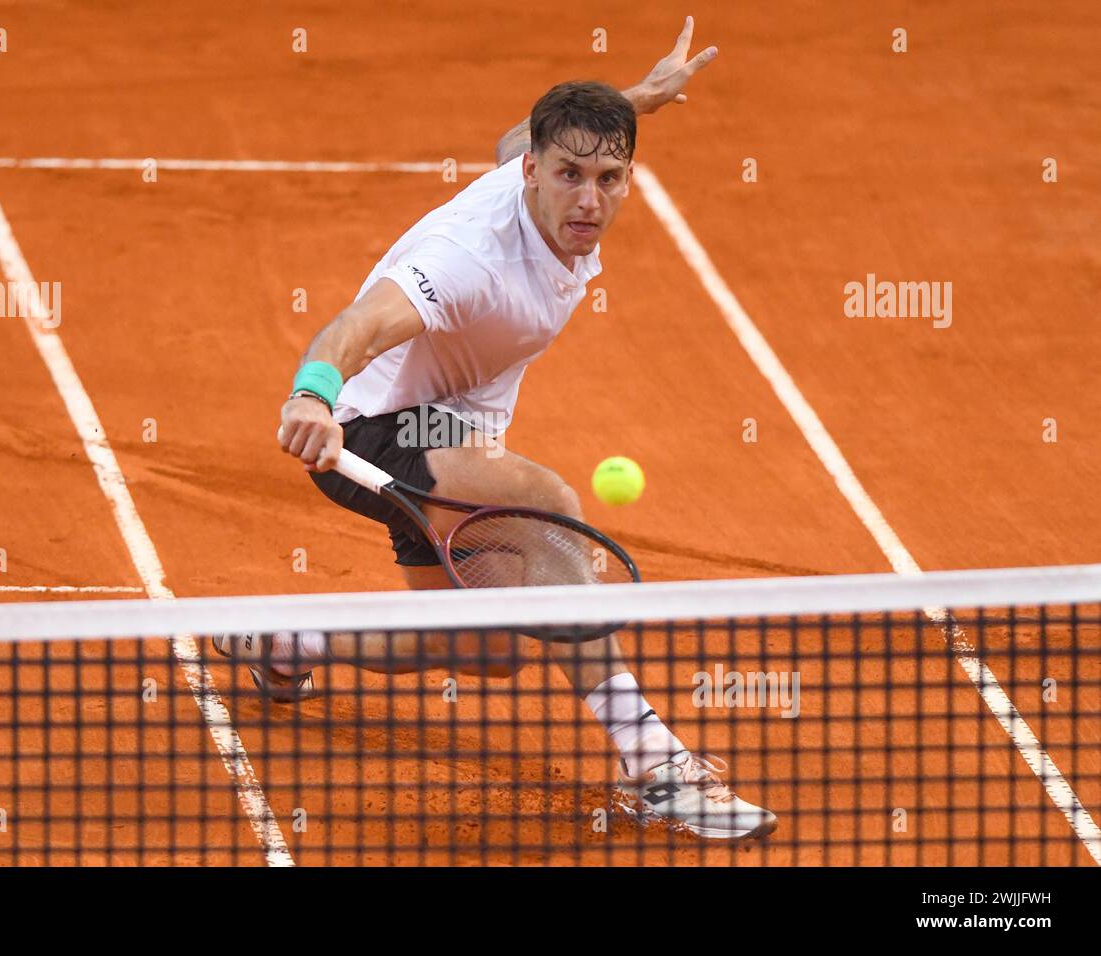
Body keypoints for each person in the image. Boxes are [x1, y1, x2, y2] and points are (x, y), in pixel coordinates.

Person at [218, 17, 776, 840]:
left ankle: (289, 642)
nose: (589, 199)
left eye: (610, 177)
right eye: (570, 175)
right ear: (533, 175)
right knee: (547, 505)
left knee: (489, 648)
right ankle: (656, 763)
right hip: (362, 433)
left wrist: (640, 100)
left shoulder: (543, 175)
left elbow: (514, 131)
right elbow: (360, 326)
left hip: (454, 432)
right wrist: (310, 394)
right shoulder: (469, 258)